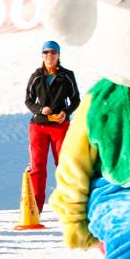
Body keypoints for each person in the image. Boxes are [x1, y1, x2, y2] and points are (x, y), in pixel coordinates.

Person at [24, 39, 81, 211]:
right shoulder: (36, 76)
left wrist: (66, 112)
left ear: (58, 55)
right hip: (38, 126)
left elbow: (75, 99)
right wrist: (41, 110)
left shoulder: (67, 75)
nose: (50, 55)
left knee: (64, 165)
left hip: (59, 126)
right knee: (37, 167)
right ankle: (35, 209)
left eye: (53, 52)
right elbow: (28, 100)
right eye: (46, 52)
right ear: (42, 55)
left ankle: (68, 206)